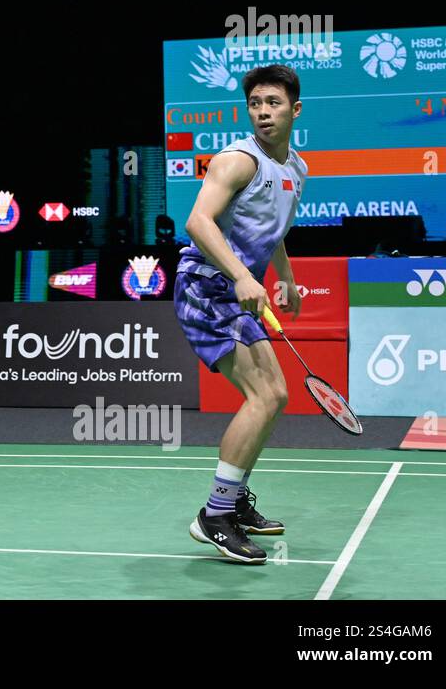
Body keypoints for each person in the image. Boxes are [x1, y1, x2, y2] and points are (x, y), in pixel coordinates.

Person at [174, 64, 306, 564]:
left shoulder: (296, 168)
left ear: (295, 109)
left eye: (272, 103)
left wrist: (285, 277)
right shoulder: (236, 161)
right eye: (255, 104)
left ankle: (232, 501)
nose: (263, 112)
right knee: (264, 394)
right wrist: (242, 276)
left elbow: (274, 228)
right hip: (206, 289)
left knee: (275, 397)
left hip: (233, 290)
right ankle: (215, 516)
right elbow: (198, 222)